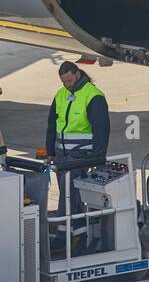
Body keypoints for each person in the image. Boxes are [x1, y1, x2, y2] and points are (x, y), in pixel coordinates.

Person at [45, 61, 110, 216]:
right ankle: (78, 223)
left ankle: (63, 230)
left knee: (67, 191)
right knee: (69, 192)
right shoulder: (61, 94)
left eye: (69, 80)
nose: (67, 85)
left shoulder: (93, 96)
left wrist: (98, 156)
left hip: (80, 154)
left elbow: (102, 128)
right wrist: (50, 151)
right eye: (64, 82)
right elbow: (52, 124)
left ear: (78, 74)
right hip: (61, 154)